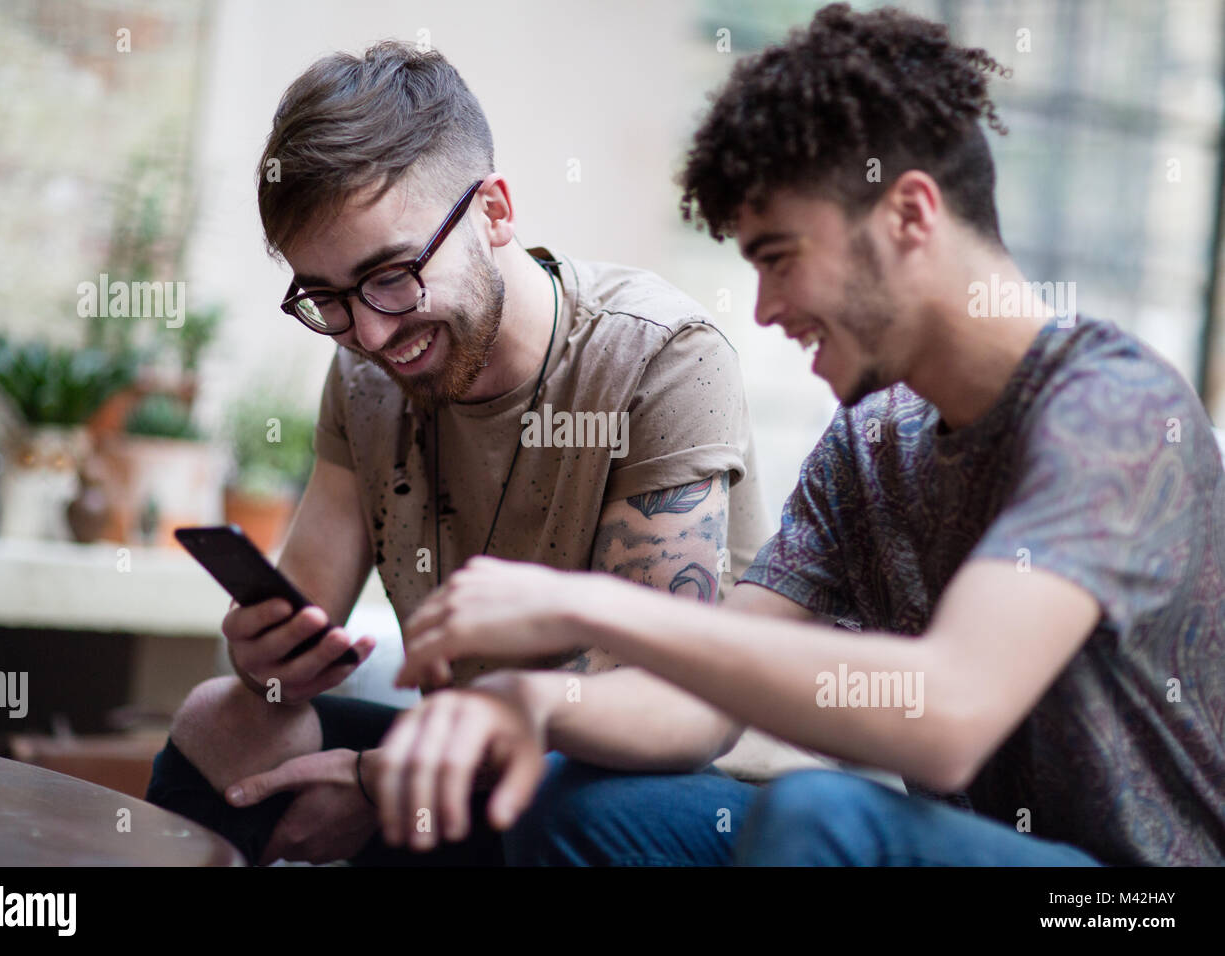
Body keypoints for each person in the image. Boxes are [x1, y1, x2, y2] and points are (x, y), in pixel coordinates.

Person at [395, 3, 1225, 866]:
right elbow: (701, 704)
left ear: (910, 214)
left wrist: (583, 601)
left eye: (781, 258)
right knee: (576, 807)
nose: (765, 310)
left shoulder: (1114, 410)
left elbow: (947, 718)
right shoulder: (869, 447)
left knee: (818, 812)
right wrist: (533, 705)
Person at [143, 39, 773, 866]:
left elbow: (657, 701)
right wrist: (267, 661)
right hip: (476, 750)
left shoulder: (661, 358)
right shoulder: (365, 378)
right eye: (325, 297)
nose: (369, 332)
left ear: (494, 212)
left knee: (540, 799)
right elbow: (294, 634)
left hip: (681, 776)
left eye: (393, 275)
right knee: (216, 721)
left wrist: (378, 779)